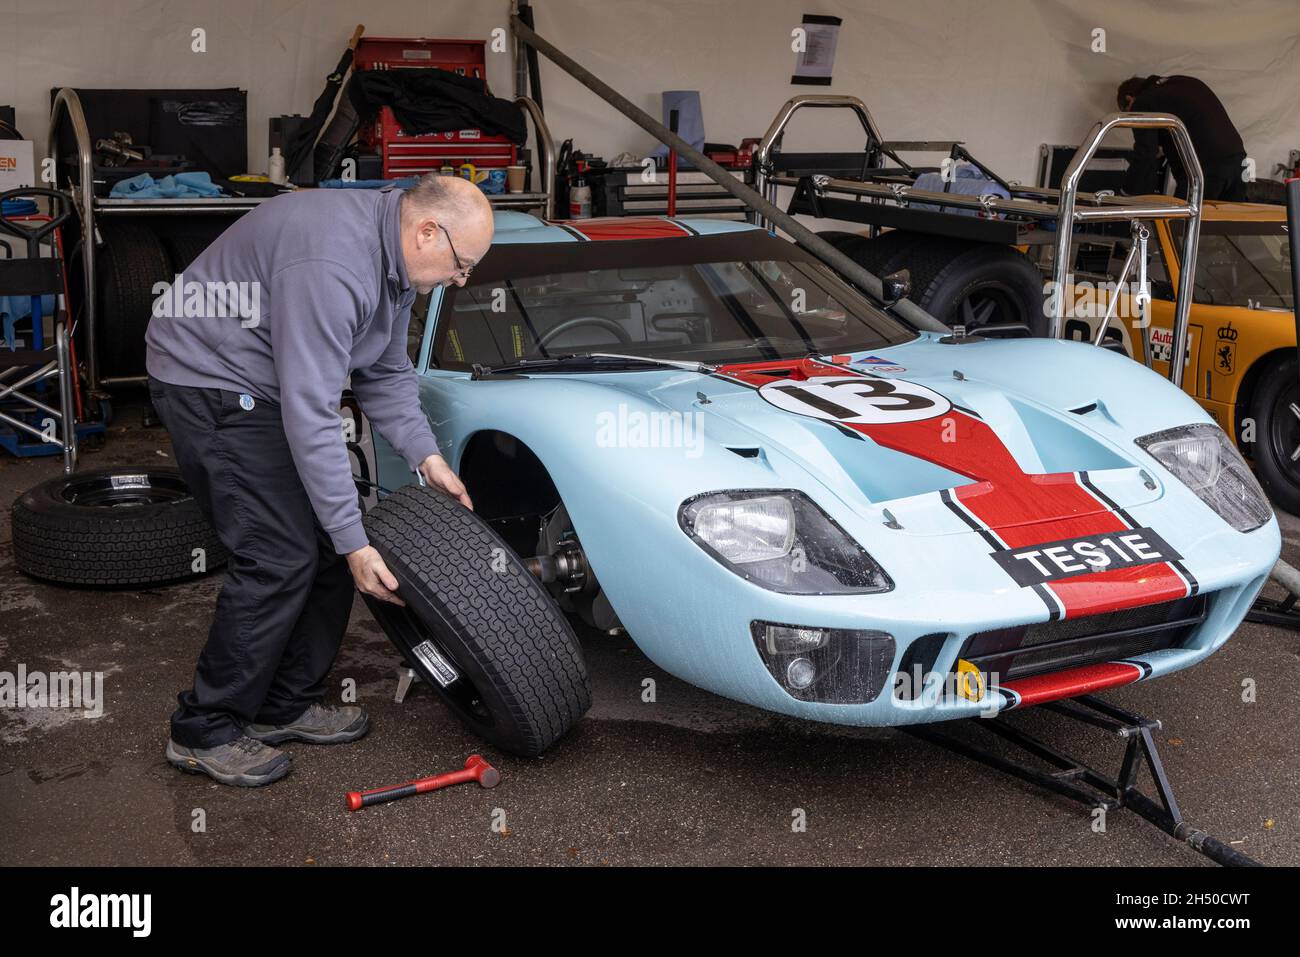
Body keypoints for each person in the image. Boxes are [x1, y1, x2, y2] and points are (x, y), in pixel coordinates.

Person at [145, 174, 493, 786]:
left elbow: (384, 373)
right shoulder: (333, 264)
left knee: (332, 546)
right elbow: (312, 413)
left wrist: (427, 458)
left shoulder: (394, 265)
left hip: (269, 380)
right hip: (211, 378)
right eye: (462, 265)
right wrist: (356, 543)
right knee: (277, 554)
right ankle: (203, 730)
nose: (460, 280)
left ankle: (281, 706)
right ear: (427, 231)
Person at [1117, 75, 1247, 201]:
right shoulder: (1183, 82)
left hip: (1203, 170)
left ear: (1129, 99)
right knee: (1231, 220)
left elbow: (1146, 154)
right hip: (1238, 160)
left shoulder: (1142, 103)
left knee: (1180, 222)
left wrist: (1126, 193)